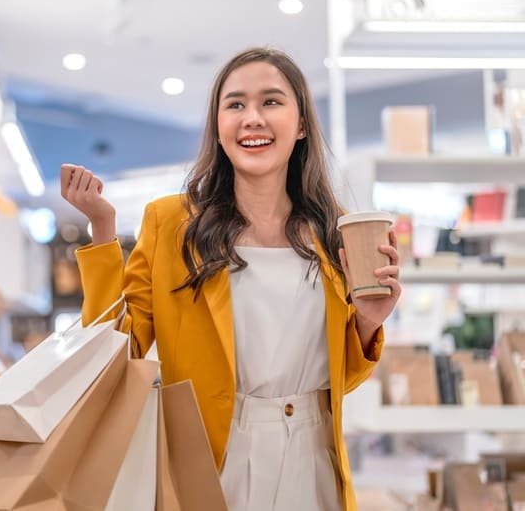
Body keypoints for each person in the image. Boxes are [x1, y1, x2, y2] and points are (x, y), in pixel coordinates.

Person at [60, 47, 401, 511]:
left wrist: (366, 323)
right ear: (218, 127)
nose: (252, 118)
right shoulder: (171, 223)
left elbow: (339, 381)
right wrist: (102, 231)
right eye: (235, 105)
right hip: (210, 458)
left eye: (272, 102)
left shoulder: (334, 229)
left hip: (313, 455)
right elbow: (116, 353)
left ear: (301, 125)